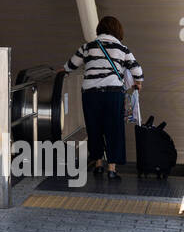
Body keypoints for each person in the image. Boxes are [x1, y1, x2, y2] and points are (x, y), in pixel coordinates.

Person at [59, 16, 144, 181]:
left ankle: (98, 164)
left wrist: (60, 71)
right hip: (113, 94)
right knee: (114, 129)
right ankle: (112, 169)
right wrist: (138, 84)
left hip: (91, 94)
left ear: (100, 29)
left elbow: (70, 66)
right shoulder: (122, 49)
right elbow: (137, 71)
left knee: (94, 128)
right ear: (118, 30)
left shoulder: (87, 47)